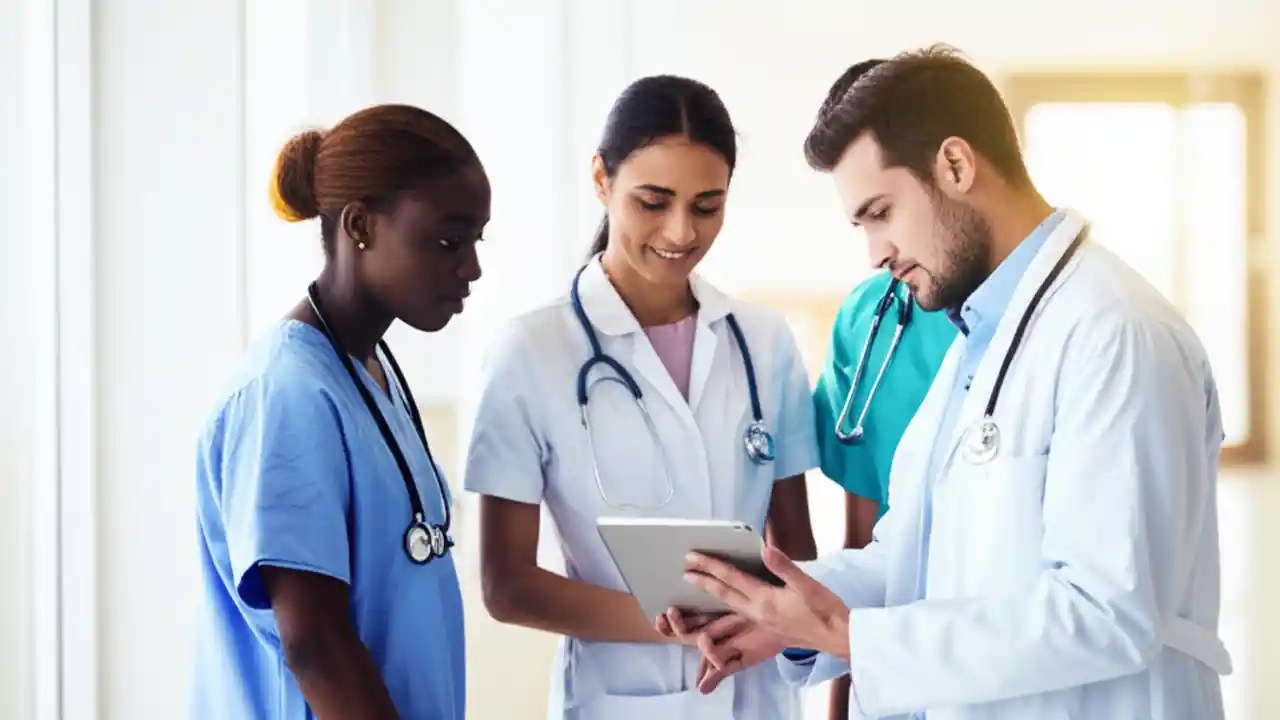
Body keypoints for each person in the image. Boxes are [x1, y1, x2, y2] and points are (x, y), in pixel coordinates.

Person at [666, 45, 1232, 719]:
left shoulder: (1115, 332)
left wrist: (849, 634)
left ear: (956, 166)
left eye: (879, 213)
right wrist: (780, 605)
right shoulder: (979, 338)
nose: (875, 253)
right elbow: (912, 559)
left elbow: (1107, 612)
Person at [463, 75, 819, 719]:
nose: (680, 232)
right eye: (652, 202)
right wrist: (676, 623)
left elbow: (794, 547)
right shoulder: (531, 351)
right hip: (619, 699)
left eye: (707, 206)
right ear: (601, 180)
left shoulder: (764, 343)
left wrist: (772, 624)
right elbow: (506, 586)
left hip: (759, 697)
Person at [191, 104, 489, 719]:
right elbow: (315, 643)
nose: (472, 268)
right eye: (448, 241)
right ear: (360, 225)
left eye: (475, 241)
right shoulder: (288, 393)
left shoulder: (367, 368)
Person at [807, 59, 958, 720]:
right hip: (886, 672)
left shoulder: (1030, 326)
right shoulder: (868, 321)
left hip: (992, 664)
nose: (875, 250)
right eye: (860, 219)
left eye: (882, 210)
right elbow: (863, 543)